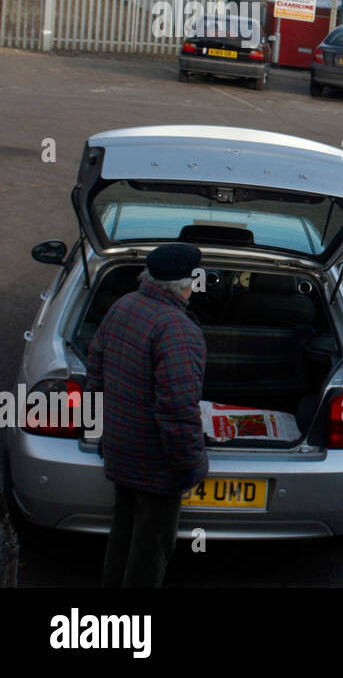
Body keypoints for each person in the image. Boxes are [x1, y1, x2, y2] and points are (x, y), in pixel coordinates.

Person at [85, 242, 209, 588]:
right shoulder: (178, 330)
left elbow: (95, 371)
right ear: (187, 284)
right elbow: (178, 408)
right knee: (150, 551)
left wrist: (102, 434)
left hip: (121, 451)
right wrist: (189, 465)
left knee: (122, 534)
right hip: (157, 465)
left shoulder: (124, 306)